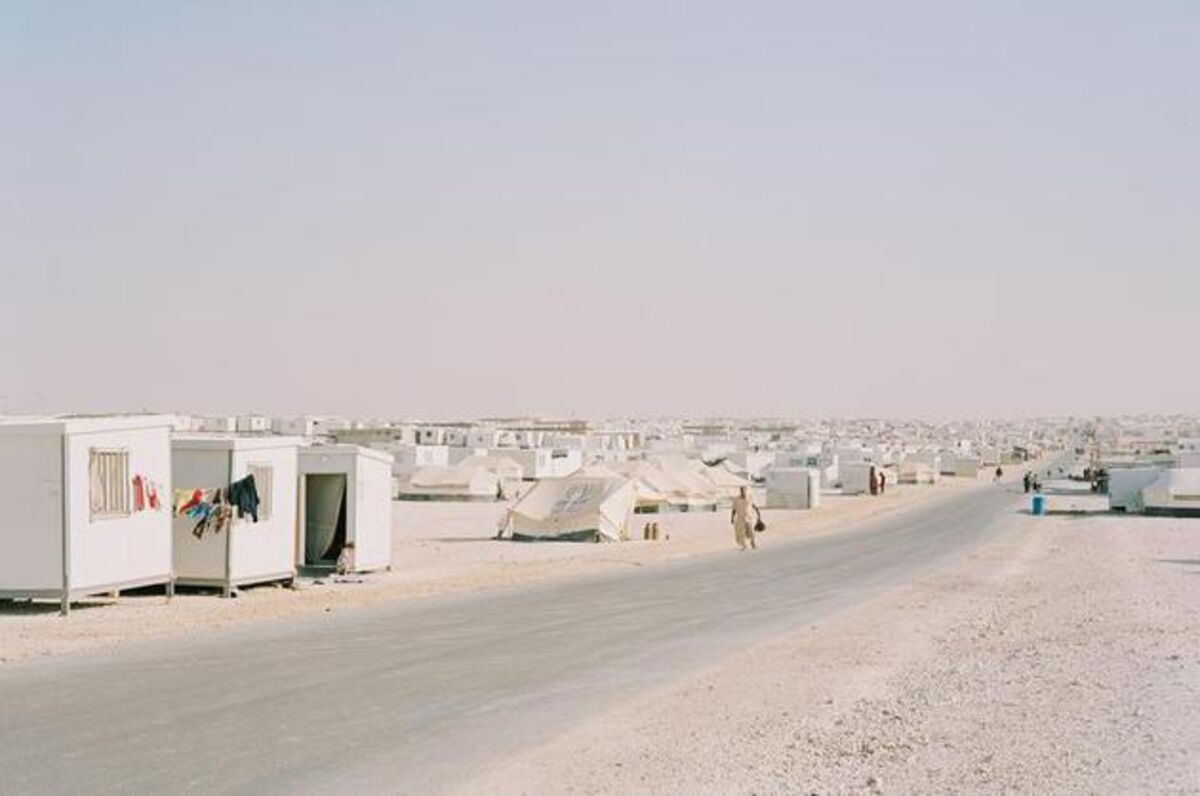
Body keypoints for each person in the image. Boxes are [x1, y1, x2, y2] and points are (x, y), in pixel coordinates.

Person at [731, 486, 758, 551]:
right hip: (740, 518)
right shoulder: (736, 499)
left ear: (746, 491)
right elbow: (734, 509)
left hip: (749, 517)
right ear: (740, 491)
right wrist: (732, 518)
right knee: (741, 532)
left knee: (751, 531)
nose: (743, 492)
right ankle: (744, 545)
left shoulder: (749, 498)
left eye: (744, 490)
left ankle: (753, 543)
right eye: (742, 490)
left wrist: (758, 515)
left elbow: (754, 506)